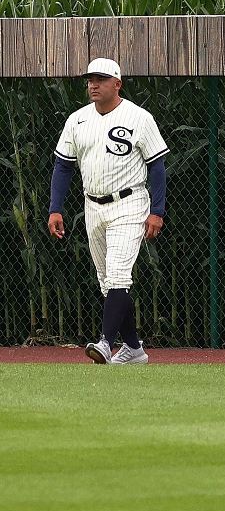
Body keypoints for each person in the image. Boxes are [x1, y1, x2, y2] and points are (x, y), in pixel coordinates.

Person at [47, 58, 169, 365]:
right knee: (108, 281)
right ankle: (134, 349)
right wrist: (55, 208)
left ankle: (105, 342)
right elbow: (63, 165)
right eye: (90, 79)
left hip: (129, 203)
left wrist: (157, 211)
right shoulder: (77, 119)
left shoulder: (138, 118)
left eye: (100, 79)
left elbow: (156, 166)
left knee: (117, 273)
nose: (93, 85)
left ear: (117, 83)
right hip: (93, 205)